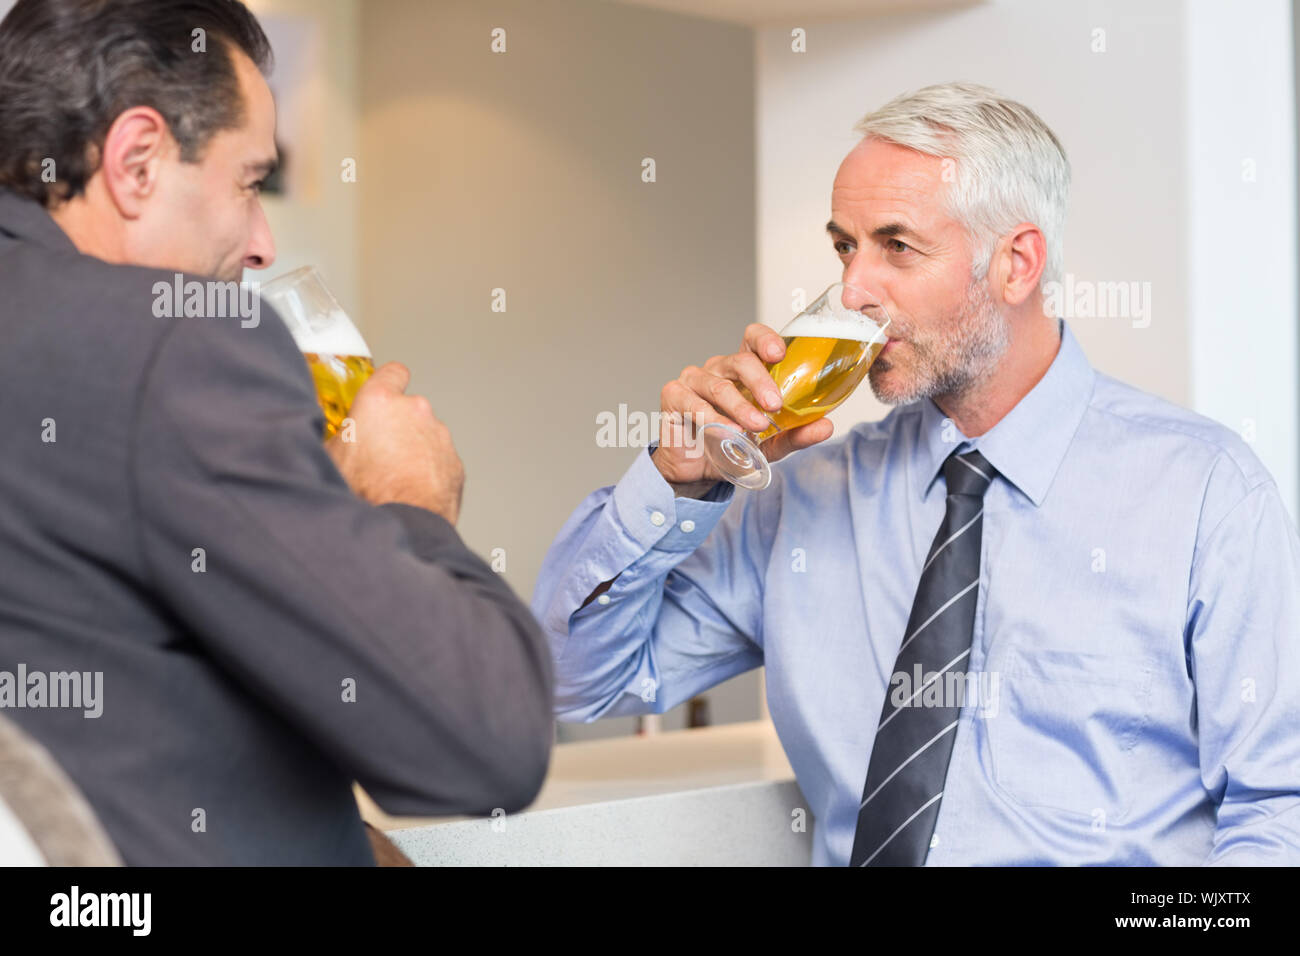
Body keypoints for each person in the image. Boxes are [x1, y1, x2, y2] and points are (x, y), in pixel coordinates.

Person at [533, 82, 1300, 866]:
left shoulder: (1205, 494)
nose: (854, 290)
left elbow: (1280, 809)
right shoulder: (802, 501)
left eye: (896, 246)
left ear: (1016, 263)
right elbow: (572, 684)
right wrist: (679, 482)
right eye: (844, 247)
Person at [0, 0, 552, 865]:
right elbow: (489, 744)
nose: (261, 244)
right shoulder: (175, 348)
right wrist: (407, 504)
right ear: (136, 161)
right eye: (250, 181)